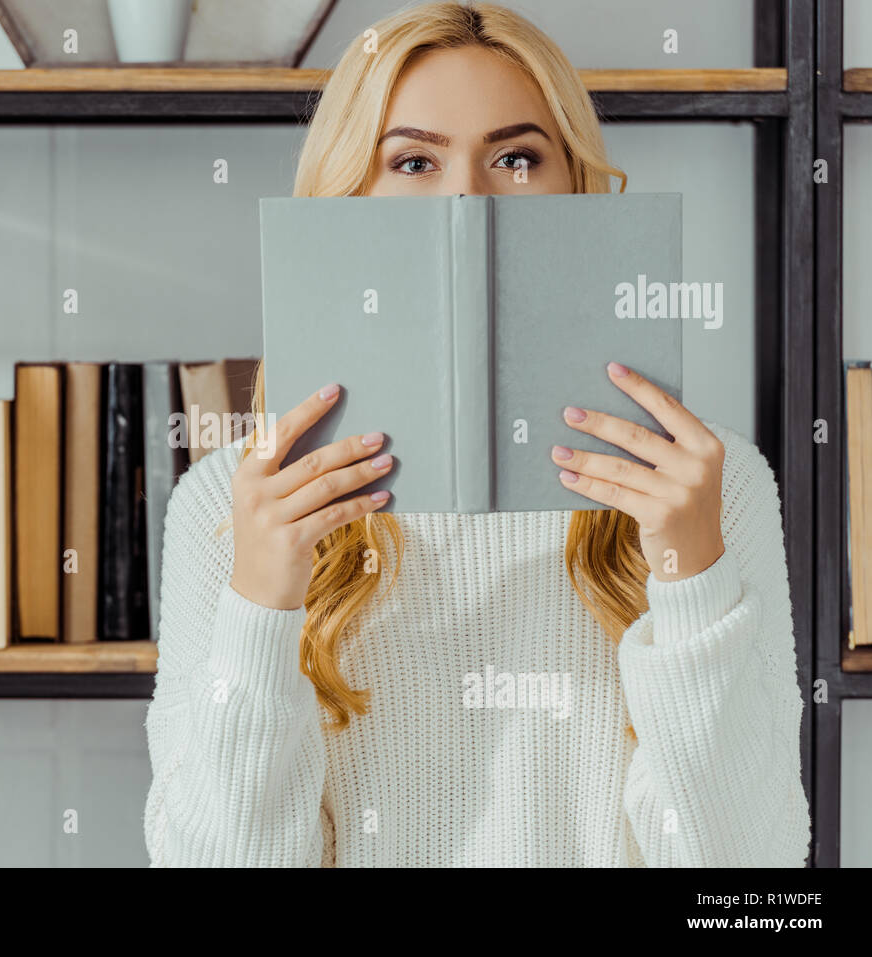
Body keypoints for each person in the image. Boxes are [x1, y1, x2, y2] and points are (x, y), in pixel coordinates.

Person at [143, 1, 810, 867]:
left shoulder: (709, 488)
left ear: (574, 186)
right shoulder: (227, 505)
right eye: (413, 160)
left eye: (516, 157)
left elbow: (745, 885)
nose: (466, 197)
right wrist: (261, 605)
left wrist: (690, 581)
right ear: (347, 195)